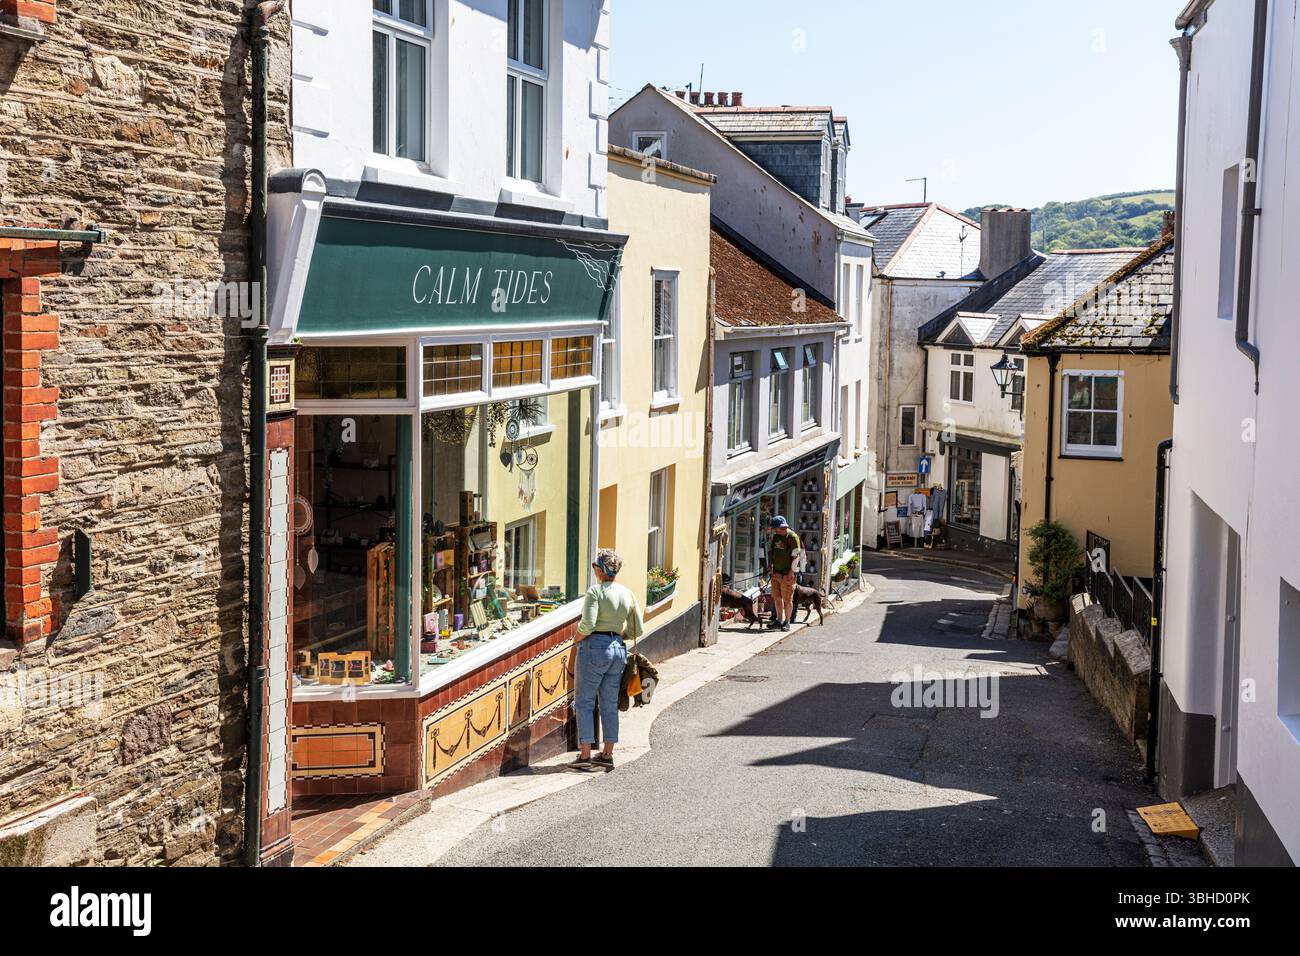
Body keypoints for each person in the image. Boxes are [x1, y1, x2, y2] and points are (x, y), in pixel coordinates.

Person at [570, 548, 643, 772]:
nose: (594, 570)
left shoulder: (595, 592)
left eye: (595, 566)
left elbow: (588, 624)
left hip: (594, 648)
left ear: (600, 570)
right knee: (609, 703)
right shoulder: (628, 594)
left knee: (584, 702)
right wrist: (618, 635)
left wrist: (576, 639)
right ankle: (607, 754)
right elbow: (637, 629)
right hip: (618, 650)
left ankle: (585, 755)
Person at [767, 516, 803, 632]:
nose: (774, 530)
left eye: (775, 528)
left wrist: (791, 572)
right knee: (777, 598)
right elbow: (771, 552)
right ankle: (779, 620)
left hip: (788, 574)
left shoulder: (792, 537)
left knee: (787, 600)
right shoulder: (776, 536)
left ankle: (787, 622)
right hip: (776, 573)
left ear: (781, 527)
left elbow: (796, 556)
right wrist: (770, 565)